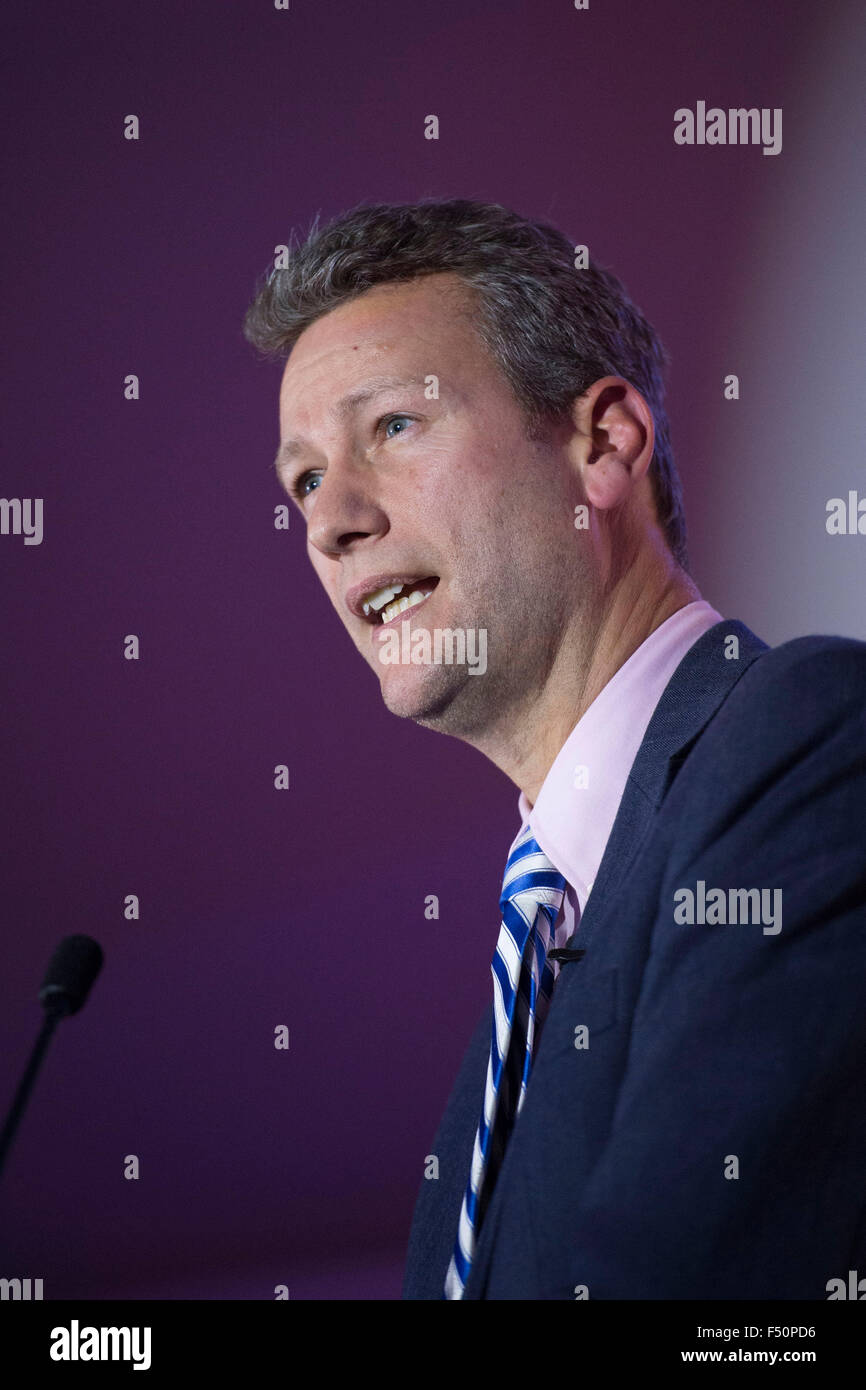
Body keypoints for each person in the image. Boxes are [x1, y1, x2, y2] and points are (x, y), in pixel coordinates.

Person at [243, 198, 866, 1300]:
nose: (328, 518)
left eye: (391, 426)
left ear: (602, 445)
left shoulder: (803, 736)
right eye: (301, 478)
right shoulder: (529, 963)